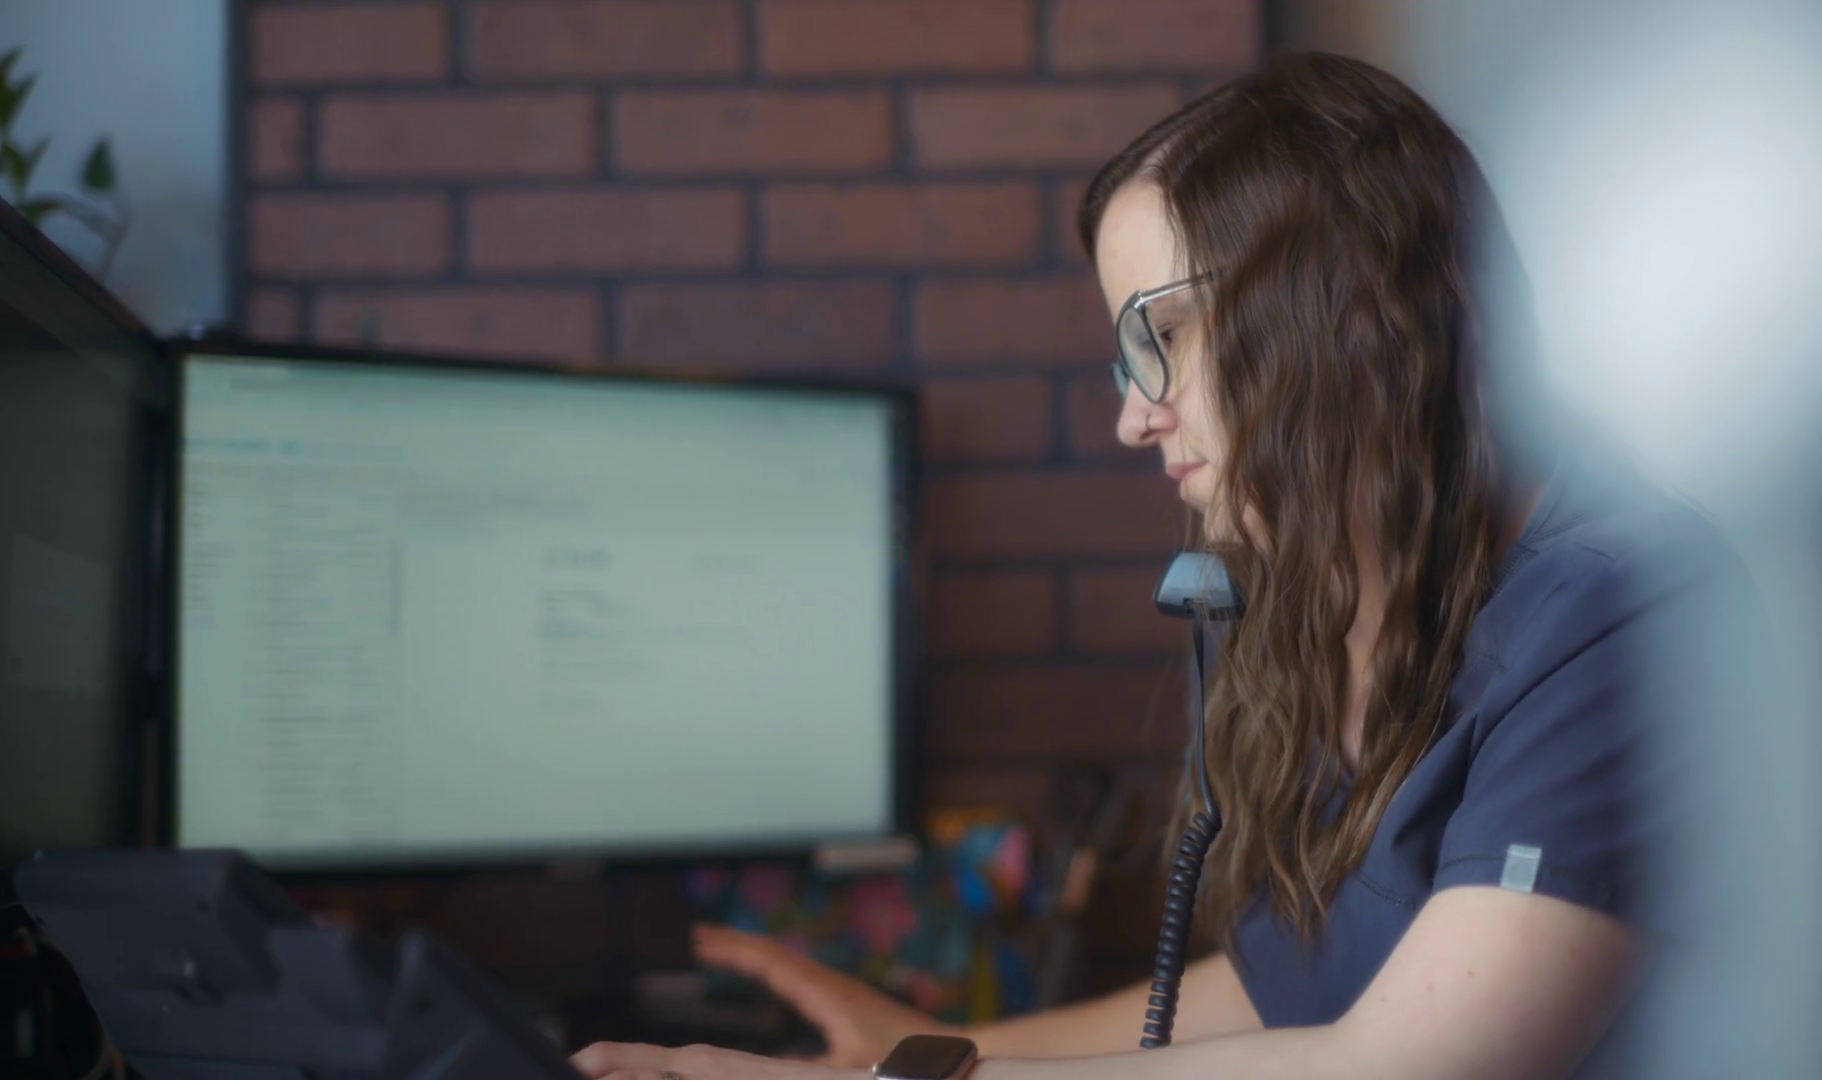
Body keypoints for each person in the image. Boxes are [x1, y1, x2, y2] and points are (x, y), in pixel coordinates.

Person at [574, 50, 1739, 1080]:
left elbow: (1406, 1061)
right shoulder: (1312, 597)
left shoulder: (1625, 617)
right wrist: (926, 1045)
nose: (1136, 416)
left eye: (1163, 335)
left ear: (1348, 304)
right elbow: (1293, 994)